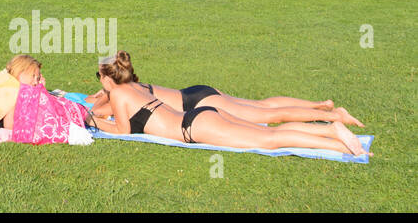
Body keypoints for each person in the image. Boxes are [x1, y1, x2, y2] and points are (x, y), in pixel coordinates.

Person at [89, 51, 364, 156]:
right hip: (201, 114)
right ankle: (334, 133)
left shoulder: (119, 95)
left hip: (195, 125)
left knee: (268, 138)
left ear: (106, 78)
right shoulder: (133, 88)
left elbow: (123, 131)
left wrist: (94, 122)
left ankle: (331, 132)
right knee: (267, 127)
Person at [84, 76, 362, 127]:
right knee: (262, 104)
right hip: (196, 91)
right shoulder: (132, 84)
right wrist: (103, 92)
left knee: (266, 116)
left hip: (194, 106)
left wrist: (99, 99)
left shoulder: (120, 96)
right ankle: (319, 105)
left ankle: (332, 116)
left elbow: (96, 110)